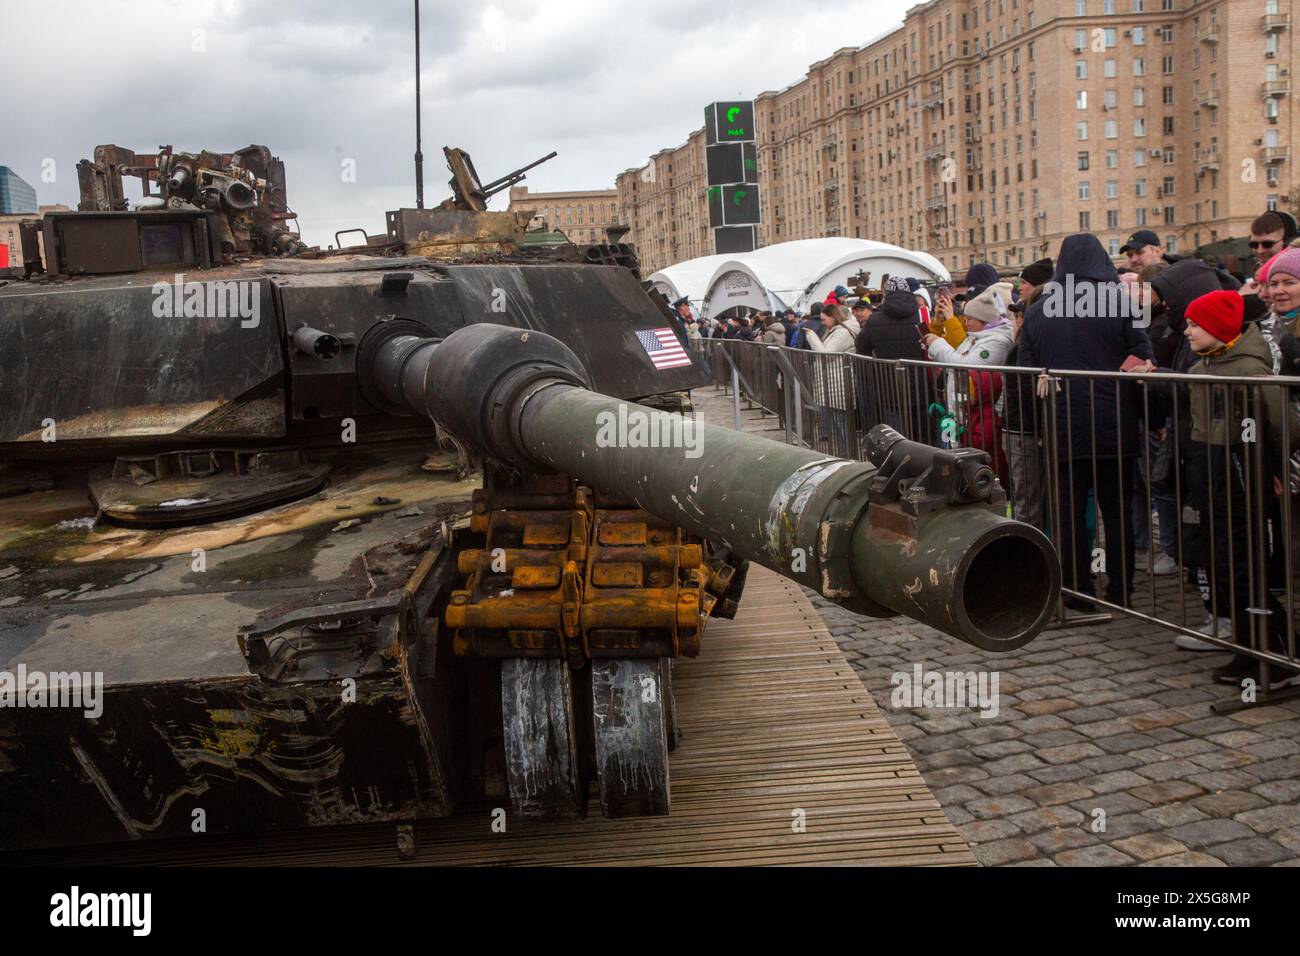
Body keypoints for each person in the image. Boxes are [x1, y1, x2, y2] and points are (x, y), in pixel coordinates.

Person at [1018, 234, 1155, 609]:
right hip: (1115, 424)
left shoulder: (1038, 309)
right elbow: (1142, 359)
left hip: (1061, 423)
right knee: (1116, 510)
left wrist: (1038, 425)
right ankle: (1121, 589)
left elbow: (1027, 372)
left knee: (1069, 511)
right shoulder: (1120, 303)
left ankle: (1077, 589)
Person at [1180, 291, 1297, 686]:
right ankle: (1248, 648)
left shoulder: (1249, 369)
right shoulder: (1203, 369)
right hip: (1211, 473)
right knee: (1223, 566)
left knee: (1245, 567)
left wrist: (1272, 467)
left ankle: (1278, 652)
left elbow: (1283, 426)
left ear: (1218, 328)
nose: (1187, 331)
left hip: (1242, 473)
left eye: (1195, 324)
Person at [925, 282, 1016, 485]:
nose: (965, 322)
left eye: (970, 319)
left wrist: (937, 343)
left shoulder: (997, 341)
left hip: (985, 414)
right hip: (965, 412)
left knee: (983, 459)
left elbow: (965, 366)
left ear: (983, 320)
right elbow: (956, 353)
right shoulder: (976, 337)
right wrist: (939, 329)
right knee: (961, 457)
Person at [1001, 261, 1053, 527]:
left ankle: (1029, 552)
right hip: (1022, 428)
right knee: (1029, 496)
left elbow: (1025, 389)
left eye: (1022, 315)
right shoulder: (1019, 345)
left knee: (1028, 499)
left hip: (1025, 428)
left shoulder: (1023, 346)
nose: (1017, 319)